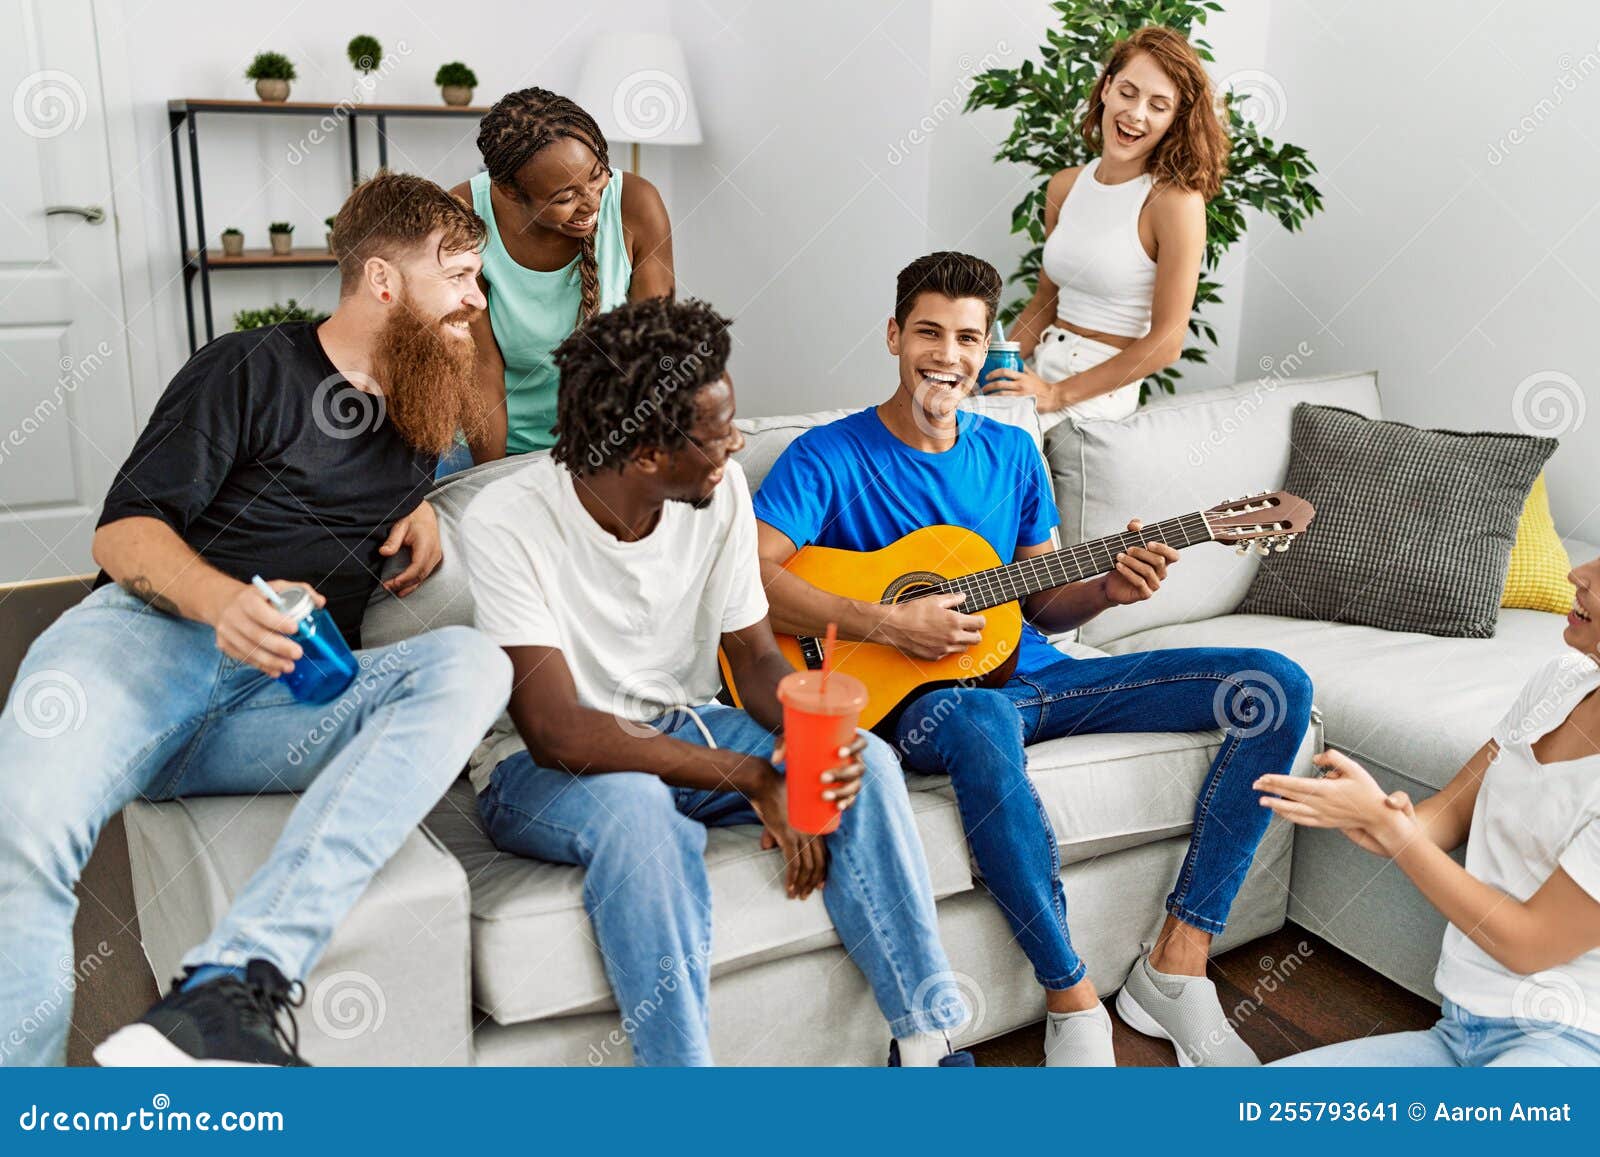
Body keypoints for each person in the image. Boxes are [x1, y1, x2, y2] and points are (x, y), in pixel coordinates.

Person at [751, 251, 1313, 1067]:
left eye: (969, 338)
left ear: (989, 347)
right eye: (929, 333)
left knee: (1274, 685)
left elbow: (1040, 601)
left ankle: (1179, 962)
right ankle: (1071, 995)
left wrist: (1110, 591)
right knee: (978, 714)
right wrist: (884, 620)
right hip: (935, 704)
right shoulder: (827, 456)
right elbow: (755, 583)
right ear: (893, 335)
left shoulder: (1012, 453)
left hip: (1041, 677)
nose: (948, 356)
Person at [0, 172, 512, 1067]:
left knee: (472, 663)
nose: (478, 297)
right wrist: (224, 602)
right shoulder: (249, 368)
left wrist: (428, 504)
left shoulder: (425, 410)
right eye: (461, 274)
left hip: (282, 705)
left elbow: (420, 473)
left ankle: (230, 987)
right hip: (148, 645)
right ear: (385, 283)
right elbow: (124, 533)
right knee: (21, 832)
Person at [459, 295, 972, 1067]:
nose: (737, 443)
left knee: (861, 761)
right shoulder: (508, 519)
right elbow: (556, 728)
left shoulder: (718, 491)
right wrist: (752, 775)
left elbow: (759, 656)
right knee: (639, 812)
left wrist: (809, 735)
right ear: (644, 455)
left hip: (688, 724)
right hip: (545, 768)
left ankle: (927, 1049)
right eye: (716, 433)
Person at [1263, 557, 1600, 1068]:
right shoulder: (1562, 681)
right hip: (1456, 1034)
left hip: (1566, 1049)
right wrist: (1374, 813)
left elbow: (1530, 944)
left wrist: (1395, 833)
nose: (1579, 572)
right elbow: (1451, 809)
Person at [985, 25, 1225, 428]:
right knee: (934, 423)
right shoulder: (1064, 185)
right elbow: (1046, 300)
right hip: (1041, 369)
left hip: (1096, 393)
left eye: (1158, 105)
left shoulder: (1175, 203)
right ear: (1107, 89)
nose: (1136, 113)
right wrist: (989, 370)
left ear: (1175, 119)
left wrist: (1055, 394)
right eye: (1128, 93)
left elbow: (1167, 343)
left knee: (978, 458)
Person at [440, 87, 674, 473]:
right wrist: (491, 482)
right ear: (511, 192)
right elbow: (480, 367)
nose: (592, 202)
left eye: (598, 176)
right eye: (565, 197)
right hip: (495, 446)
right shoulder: (463, 217)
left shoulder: (637, 203)